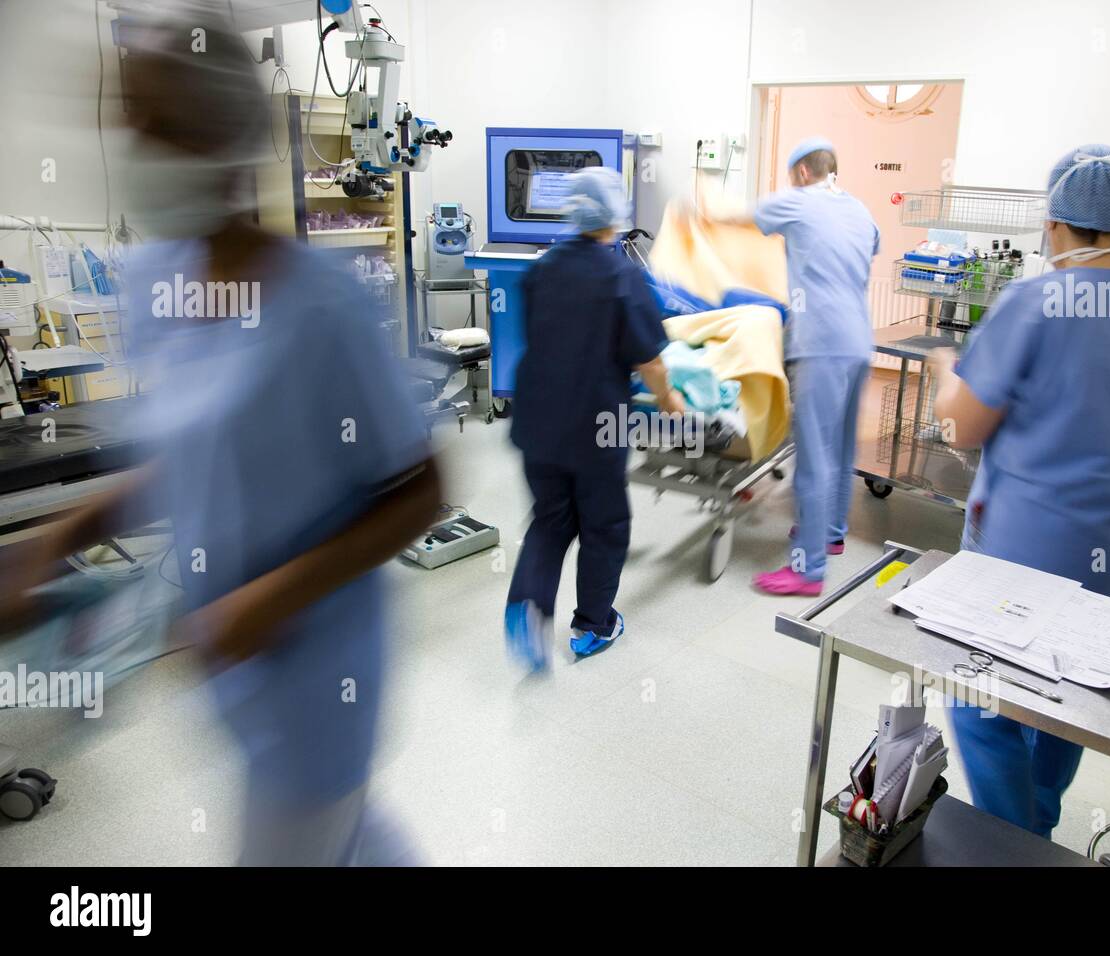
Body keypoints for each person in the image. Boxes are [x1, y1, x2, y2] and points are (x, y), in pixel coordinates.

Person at [0, 10, 441, 864]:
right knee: (344, 838)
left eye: (161, 124)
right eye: (128, 119)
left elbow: (419, 492)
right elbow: (188, 451)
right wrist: (65, 534)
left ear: (224, 136)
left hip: (316, 668)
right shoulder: (150, 280)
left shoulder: (323, 305)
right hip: (229, 664)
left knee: (301, 832)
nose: (137, 144)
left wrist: (267, 601)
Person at [928, 144, 1110, 837]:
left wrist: (943, 372)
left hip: (1027, 541)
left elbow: (961, 426)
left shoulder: (1035, 299)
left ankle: (1016, 840)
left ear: (1054, 225)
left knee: (978, 699)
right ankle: (1039, 816)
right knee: (1073, 695)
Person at [504, 167, 686, 668]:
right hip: (595, 429)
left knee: (550, 520)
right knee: (603, 524)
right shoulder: (622, 276)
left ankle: (527, 606)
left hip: (538, 421)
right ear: (615, 215)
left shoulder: (542, 269)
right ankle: (593, 626)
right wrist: (670, 400)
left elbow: (543, 339)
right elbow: (648, 360)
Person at [712, 138, 880, 596]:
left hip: (821, 343)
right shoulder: (861, 211)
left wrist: (698, 209)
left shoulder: (800, 198)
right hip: (859, 342)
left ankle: (807, 570)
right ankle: (830, 533)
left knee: (814, 458)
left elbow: (740, 216)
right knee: (842, 449)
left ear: (803, 173)